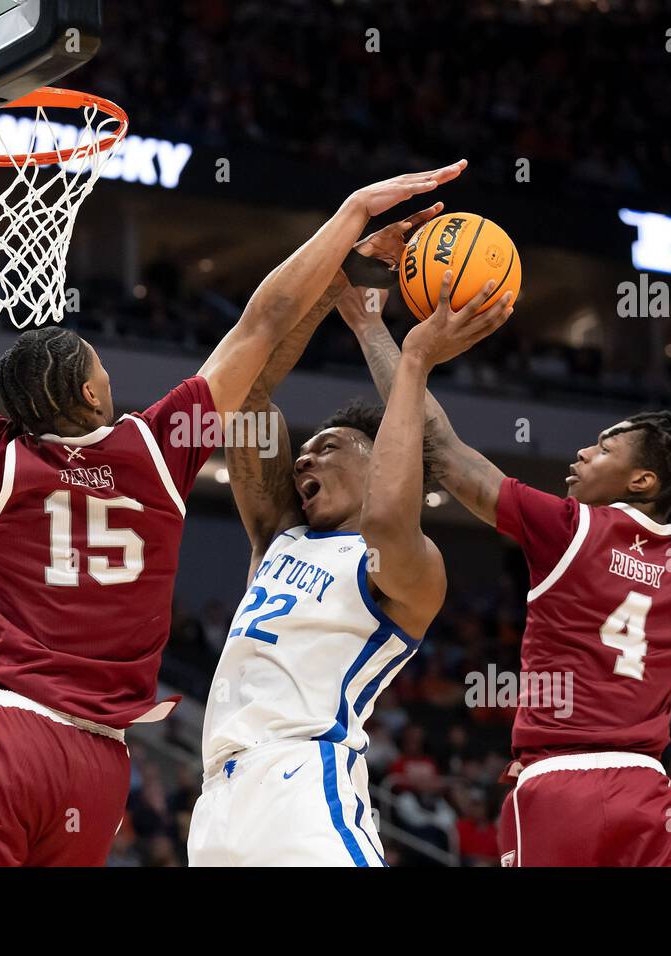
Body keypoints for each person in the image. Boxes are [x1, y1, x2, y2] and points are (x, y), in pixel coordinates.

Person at [0, 163, 461, 865]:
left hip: (13, 730)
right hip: (100, 768)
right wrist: (348, 218)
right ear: (97, 397)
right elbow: (263, 321)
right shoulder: (155, 451)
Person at [345, 276, 671, 867]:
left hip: (557, 784)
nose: (584, 453)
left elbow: (440, 447)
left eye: (604, 447)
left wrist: (373, 331)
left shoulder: (570, 528)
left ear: (642, 482)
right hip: (647, 792)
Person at [189, 167, 515, 865]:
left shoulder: (407, 567)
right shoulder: (280, 534)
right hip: (216, 802)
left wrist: (405, 350)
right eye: (302, 457)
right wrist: (337, 271)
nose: (303, 464)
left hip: (302, 790)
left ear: (377, 462)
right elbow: (247, 394)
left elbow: (400, 497)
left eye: (327, 448)